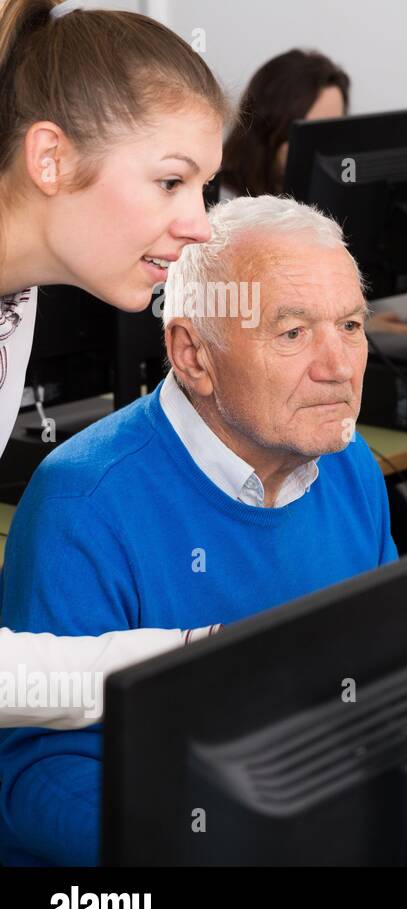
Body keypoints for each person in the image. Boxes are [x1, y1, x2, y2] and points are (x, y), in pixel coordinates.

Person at [0, 195, 399, 866]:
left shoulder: (347, 459)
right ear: (192, 354)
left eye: (352, 325)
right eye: (293, 333)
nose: (339, 366)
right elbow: (38, 780)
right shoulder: (85, 501)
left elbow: (390, 657)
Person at [0, 0, 229, 728]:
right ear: (51, 158)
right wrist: (193, 661)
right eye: (170, 182)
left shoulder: (19, 295)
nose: (200, 226)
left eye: (204, 188)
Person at [219, 48, 350, 200]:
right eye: (312, 135)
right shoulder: (222, 203)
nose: (328, 148)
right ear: (269, 129)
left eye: (336, 132)